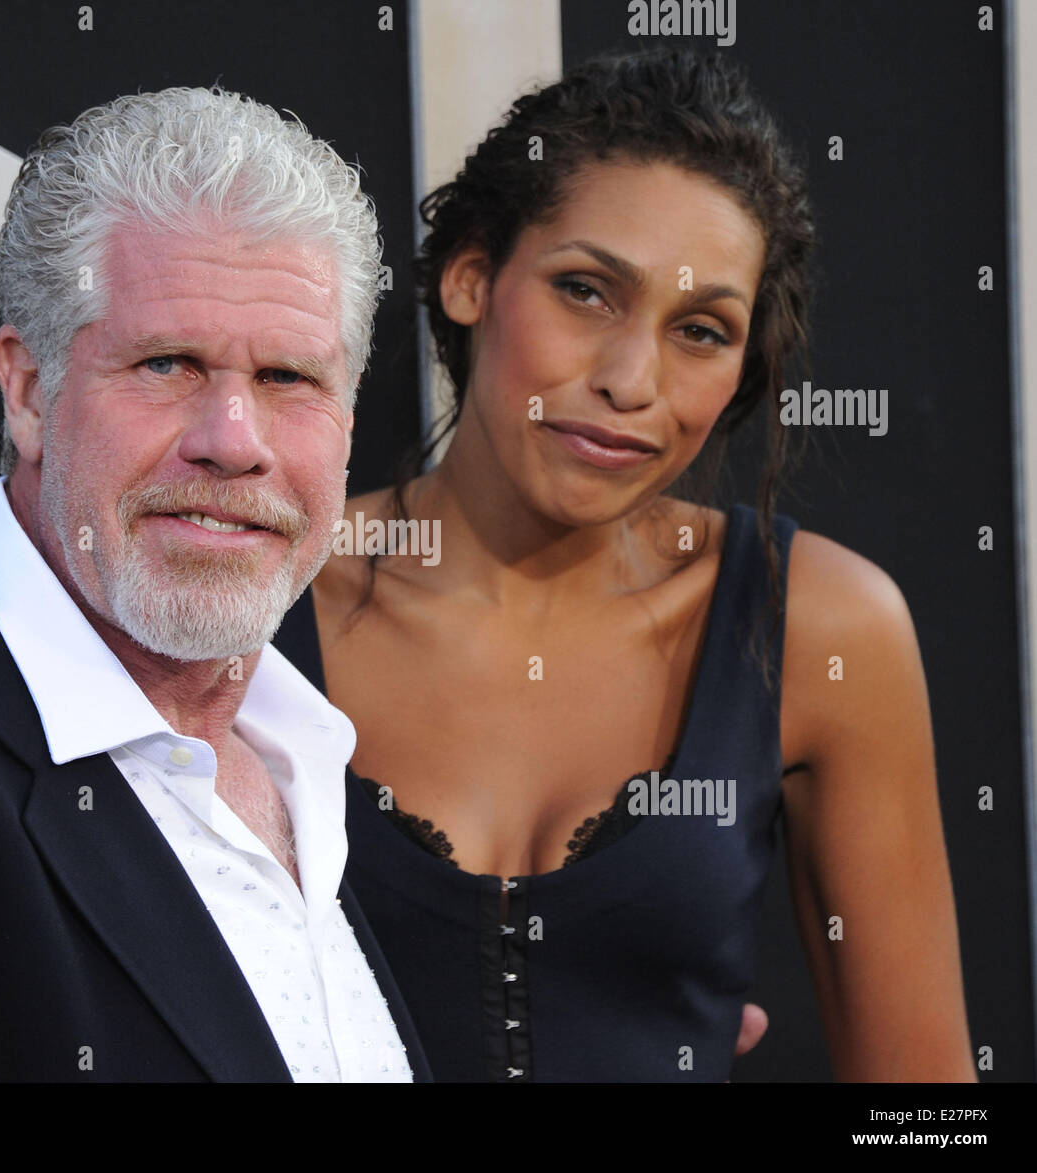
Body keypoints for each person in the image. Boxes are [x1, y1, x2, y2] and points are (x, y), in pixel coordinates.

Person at [273, 49, 976, 1081]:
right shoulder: (262, 596)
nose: (630, 380)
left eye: (699, 330)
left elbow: (924, 1103)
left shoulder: (823, 627)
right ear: (473, 276)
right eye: (586, 292)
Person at [0, 86, 429, 1082]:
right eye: (167, 364)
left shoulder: (308, 757)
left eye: (287, 379)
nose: (233, 442)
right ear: (25, 388)